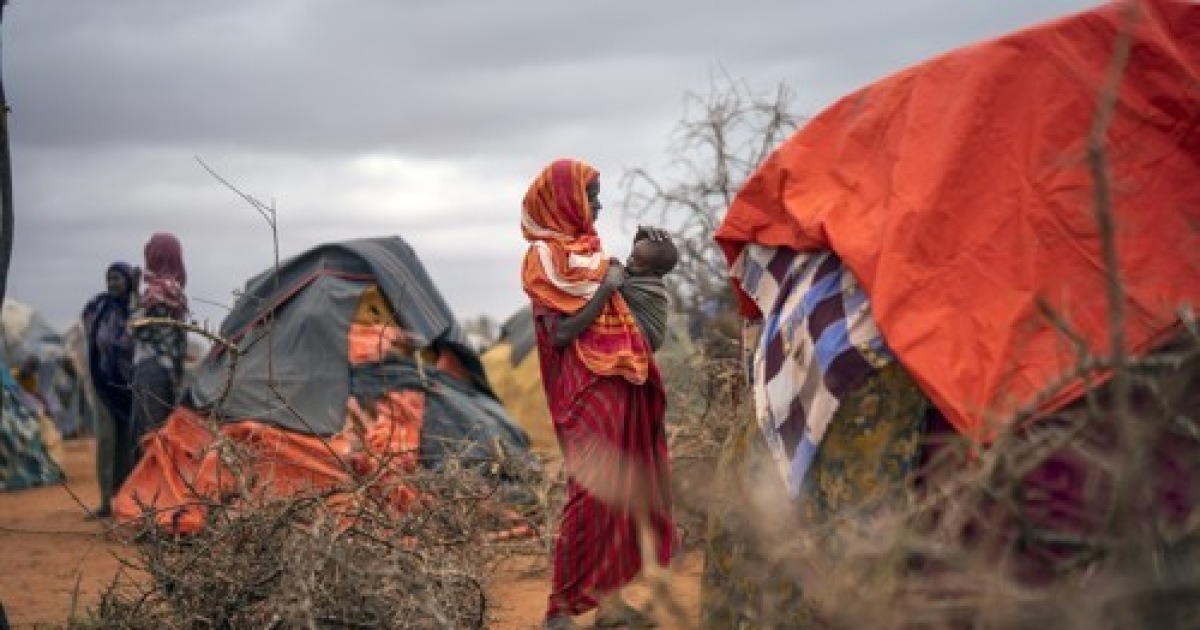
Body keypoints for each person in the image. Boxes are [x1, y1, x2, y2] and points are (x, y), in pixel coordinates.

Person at [521, 159, 675, 629]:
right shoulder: (544, 259)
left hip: (622, 384)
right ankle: (561, 607)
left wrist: (649, 265)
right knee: (590, 493)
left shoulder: (593, 254)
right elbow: (563, 332)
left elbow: (638, 313)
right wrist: (604, 288)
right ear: (566, 200)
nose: (600, 205)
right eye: (592, 196)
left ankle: (610, 600)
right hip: (583, 388)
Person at [81, 261, 138, 517]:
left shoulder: (136, 309)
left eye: (117, 278)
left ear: (128, 281)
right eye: (109, 278)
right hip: (102, 382)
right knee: (106, 440)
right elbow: (92, 334)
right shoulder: (98, 307)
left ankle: (123, 498)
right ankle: (106, 501)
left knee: (126, 442)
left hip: (129, 388)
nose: (112, 283)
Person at [129, 233, 188, 464]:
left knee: (147, 435)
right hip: (167, 372)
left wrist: (133, 294)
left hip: (151, 371)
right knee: (157, 433)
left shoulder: (158, 291)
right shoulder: (174, 289)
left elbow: (137, 328)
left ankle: (146, 495)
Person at [618, 228, 679, 352]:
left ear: (657, 271)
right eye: (631, 255)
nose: (629, 260)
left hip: (645, 340)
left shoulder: (645, 290)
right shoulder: (640, 275)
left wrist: (613, 264)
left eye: (636, 259)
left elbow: (614, 281)